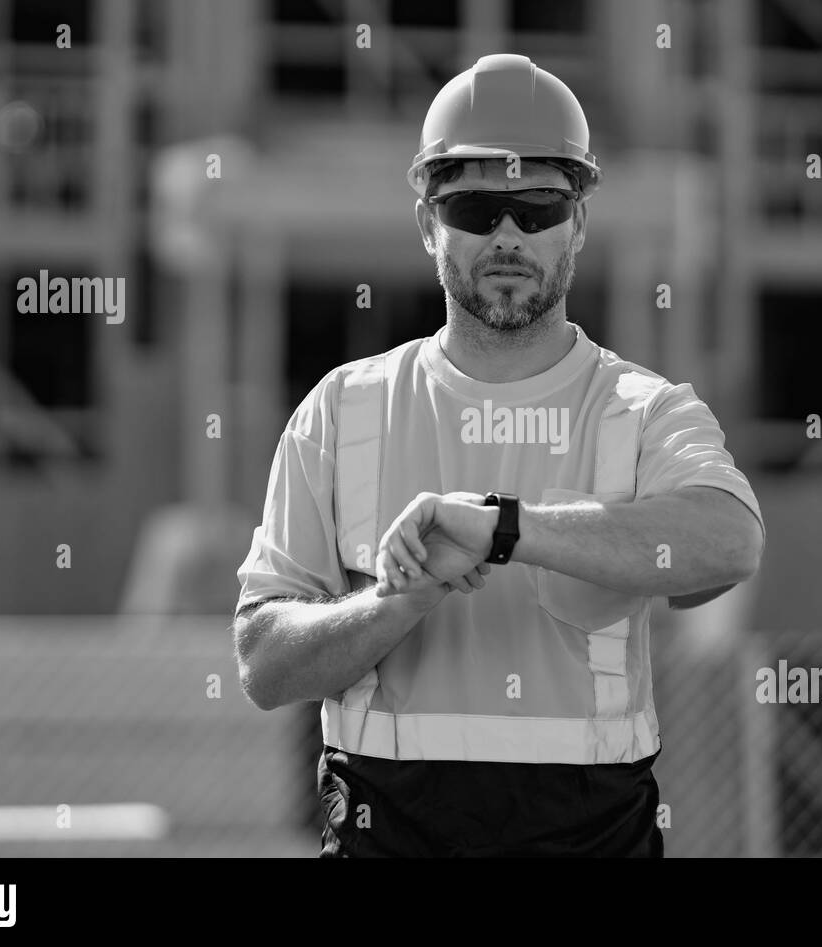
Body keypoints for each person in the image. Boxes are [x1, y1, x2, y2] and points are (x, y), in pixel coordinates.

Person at [232, 54, 765, 857]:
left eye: (538, 205)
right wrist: (397, 601)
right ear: (427, 225)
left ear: (578, 224)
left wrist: (506, 529)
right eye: (476, 207)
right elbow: (263, 664)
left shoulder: (642, 408)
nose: (509, 234)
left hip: (591, 835)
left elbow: (731, 540)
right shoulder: (343, 412)